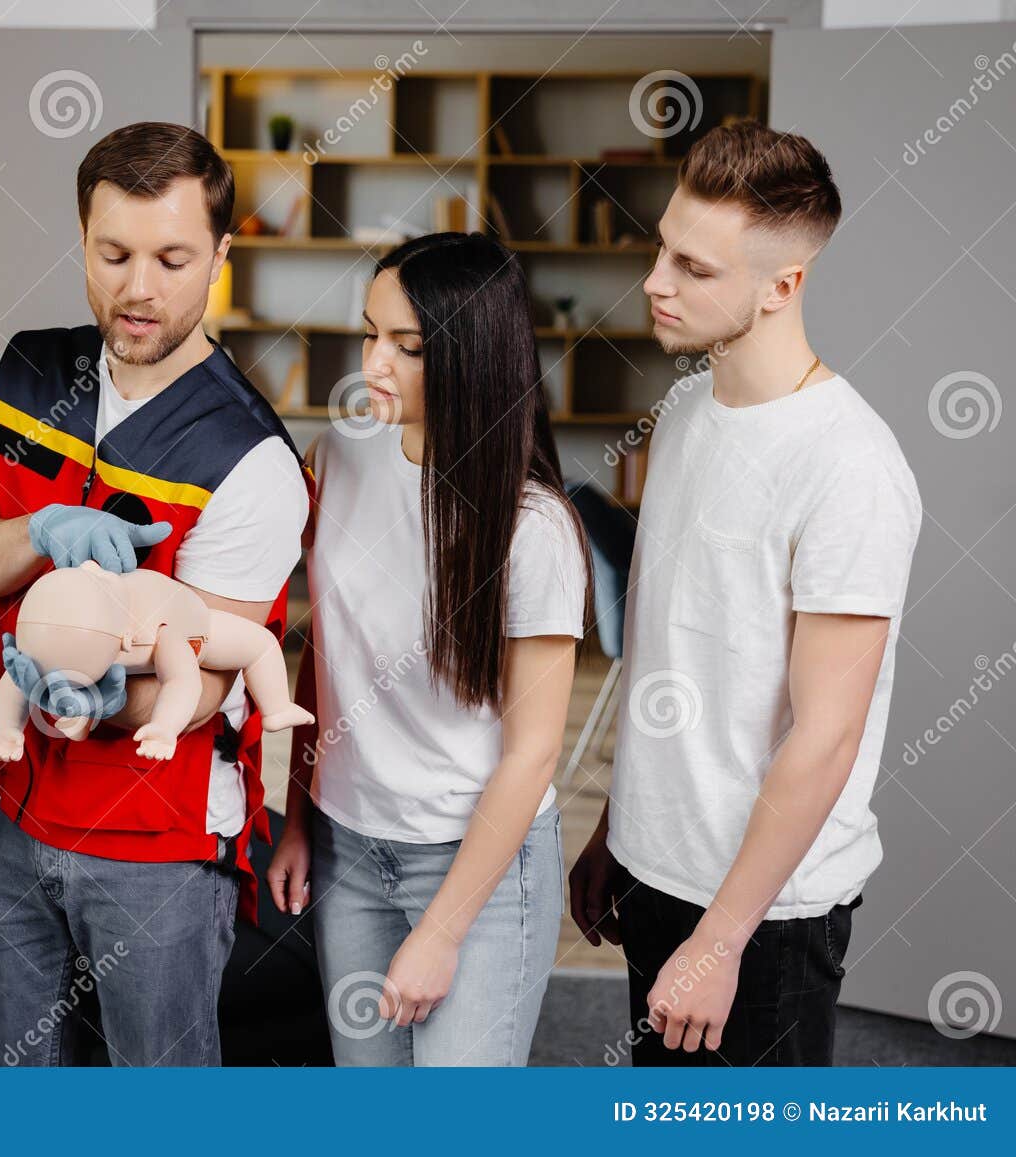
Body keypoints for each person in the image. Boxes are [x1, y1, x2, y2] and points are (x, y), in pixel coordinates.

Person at [0, 122, 309, 1067]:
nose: (140, 289)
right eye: (115, 254)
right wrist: (36, 533)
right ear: (82, 244)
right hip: (13, 811)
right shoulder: (25, 374)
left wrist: (86, 696)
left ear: (220, 255)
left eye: (174, 258)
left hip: (154, 841)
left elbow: (207, 687)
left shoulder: (251, 460)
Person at [568, 121, 922, 1066]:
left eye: (694, 267)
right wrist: (620, 824)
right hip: (656, 865)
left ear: (782, 286)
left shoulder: (849, 466)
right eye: (662, 249)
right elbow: (673, 651)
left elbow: (827, 734)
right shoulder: (684, 412)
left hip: (762, 912)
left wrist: (721, 938)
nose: (656, 281)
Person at [267, 233, 593, 1065]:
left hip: (477, 862)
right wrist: (300, 815)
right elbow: (329, 654)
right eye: (370, 333)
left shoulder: (534, 527)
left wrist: (443, 931)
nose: (373, 363)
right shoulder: (338, 456)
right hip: (348, 843)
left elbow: (533, 753)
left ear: (470, 356)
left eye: (406, 347)